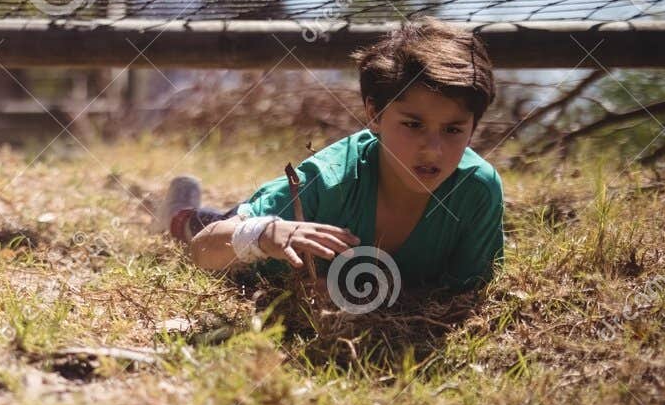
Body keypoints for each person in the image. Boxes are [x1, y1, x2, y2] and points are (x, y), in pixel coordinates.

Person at [162, 18, 503, 295]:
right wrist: (264, 235)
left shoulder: (477, 191)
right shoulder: (329, 181)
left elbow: (465, 292)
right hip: (255, 256)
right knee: (200, 226)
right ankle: (179, 212)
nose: (433, 148)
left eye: (453, 130)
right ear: (374, 114)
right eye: (413, 125)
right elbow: (202, 252)